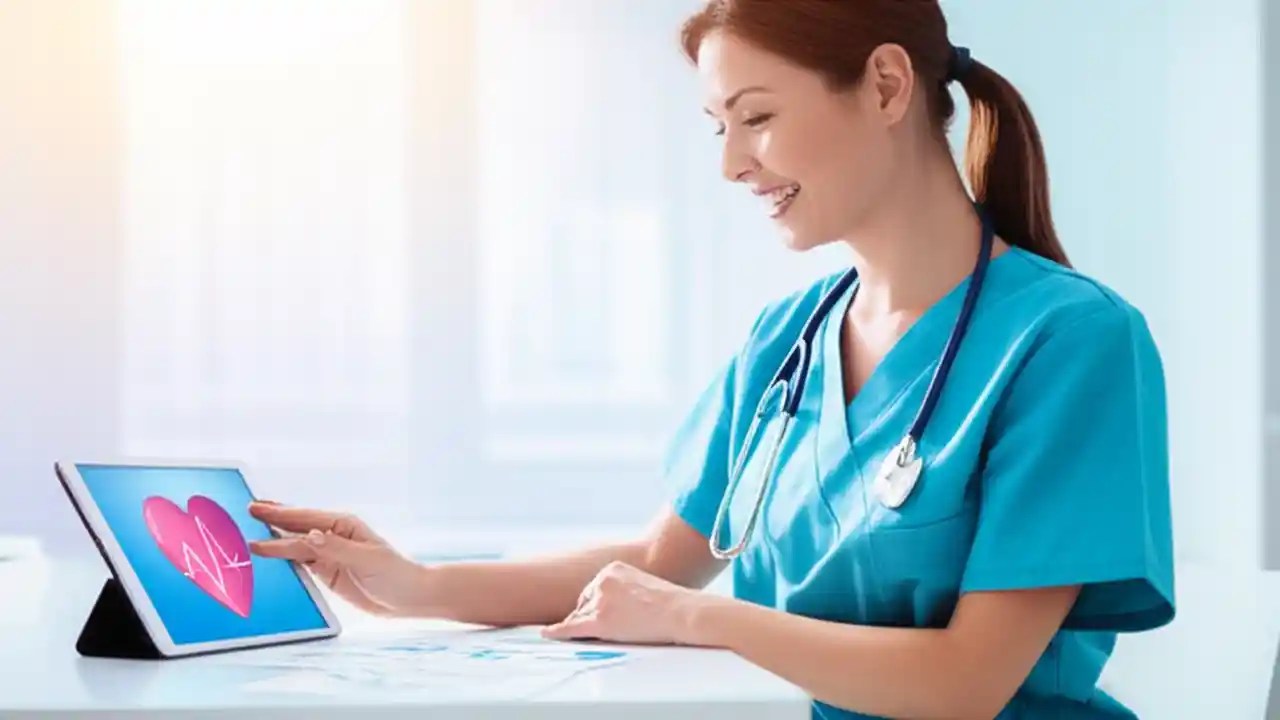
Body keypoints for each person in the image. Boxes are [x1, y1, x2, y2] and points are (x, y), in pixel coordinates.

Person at [248, 1, 1175, 718]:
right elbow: (660, 561)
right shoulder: (790, 339)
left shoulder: (1071, 344)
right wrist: (415, 586)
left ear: (888, 87)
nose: (731, 163)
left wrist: (697, 618)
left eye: (756, 116)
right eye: (715, 126)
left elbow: (969, 683)